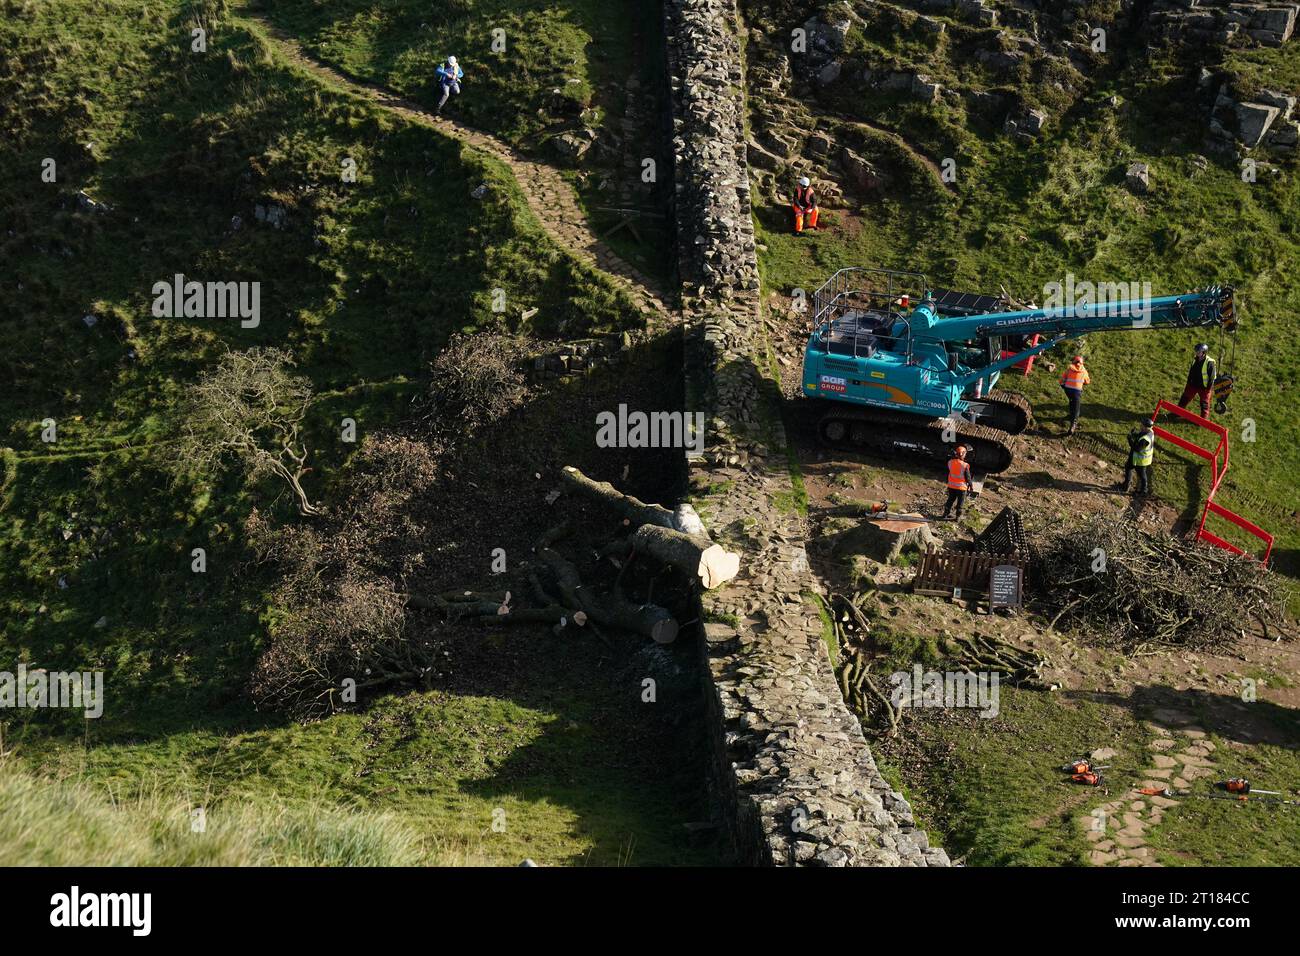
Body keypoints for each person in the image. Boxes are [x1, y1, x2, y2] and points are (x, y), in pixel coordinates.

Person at [1116, 416, 1155, 495]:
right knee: (1128, 467)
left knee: (1142, 475)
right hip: (1135, 458)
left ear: (1146, 427)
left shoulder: (1145, 440)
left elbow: (1136, 448)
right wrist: (1134, 434)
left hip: (1141, 461)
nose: (1140, 426)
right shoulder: (1150, 431)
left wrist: (1130, 439)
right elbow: (1140, 436)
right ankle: (1126, 485)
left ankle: (1144, 491)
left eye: (1142, 425)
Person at [1177, 343, 1216, 418]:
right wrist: (1188, 383)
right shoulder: (1195, 359)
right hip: (1193, 385)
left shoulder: (1209, 362)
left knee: (1204, 404)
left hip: (1205, 388)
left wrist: (1208, 388)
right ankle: (1177, 412)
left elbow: (1212, 377)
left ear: (1204, 352)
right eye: (1196, 351)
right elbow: (1191, 372)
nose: (1197, 353)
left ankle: (1203, 420)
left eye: (1199, 351)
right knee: (1184, 398)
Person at [1059, 354, 1090, 436]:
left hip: (1068, 390)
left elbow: (1062, 380)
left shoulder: (1069, 369)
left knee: (1071, 401)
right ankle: (1073, 425)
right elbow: (1087, 381)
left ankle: (1070, 415)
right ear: (1082, 363)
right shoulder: (1084, 371)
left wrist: (1064, 386)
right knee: (1077, 408)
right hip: (1077, 391)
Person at [941, 444, 973, 521]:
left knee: (950, 500)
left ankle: (945, 514)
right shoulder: (965, 465)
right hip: (961, 488)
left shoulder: (950, 462)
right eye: (965, 453)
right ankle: (958, 517)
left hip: (951, 486)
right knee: (960, 503)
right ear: (963, 454)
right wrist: (971, 485)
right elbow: (968, 477)